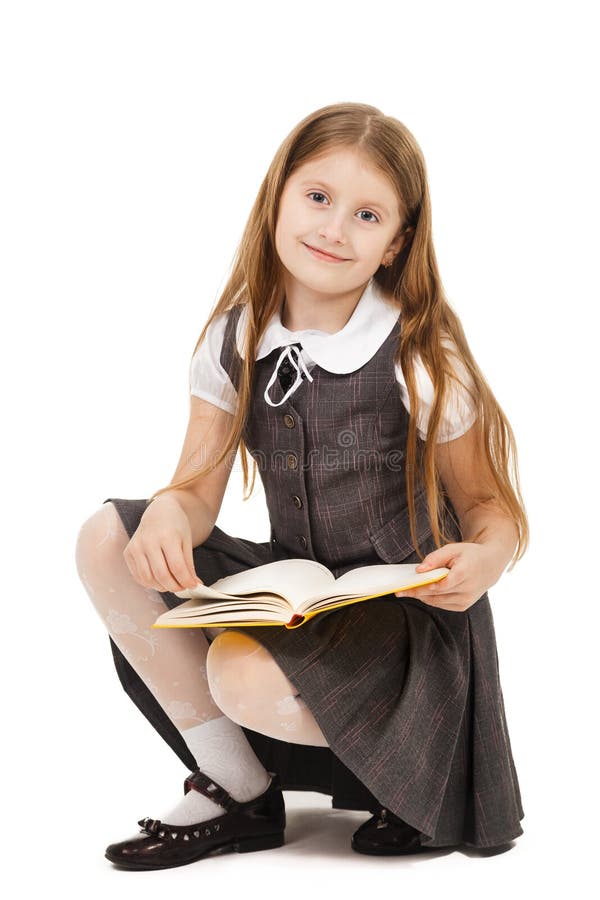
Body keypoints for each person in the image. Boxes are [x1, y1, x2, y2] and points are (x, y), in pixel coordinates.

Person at [75, 101, 528, 869]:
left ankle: (412, 774)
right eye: (318, 198)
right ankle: (237, 789)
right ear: (278, 197)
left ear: (395, 245)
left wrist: (484, 559)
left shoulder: (420, 354)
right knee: (106, 536)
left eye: (366, 215)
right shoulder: (236, 338)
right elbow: (194, 491)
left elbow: (491, 509)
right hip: (300, 592)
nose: (333, 229)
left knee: (240, 675)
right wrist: (166, 519)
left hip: (404, 620)